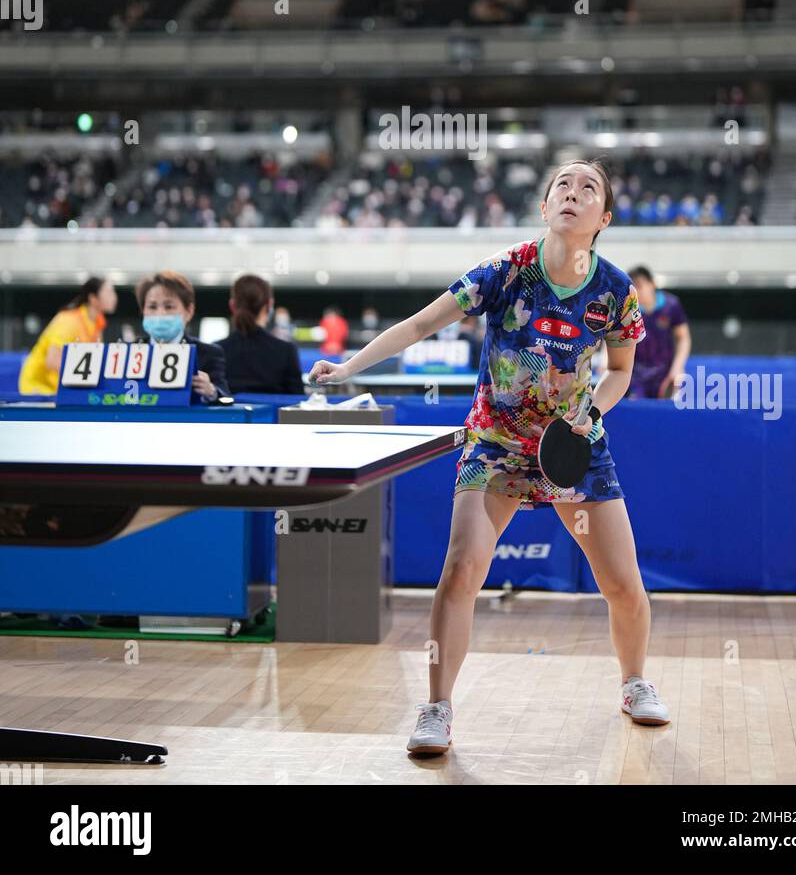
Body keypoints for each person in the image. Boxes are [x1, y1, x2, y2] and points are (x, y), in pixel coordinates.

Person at [309, 158, 670, 757]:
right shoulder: (505, 271)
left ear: (603, 217)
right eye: (562, 185)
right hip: (495, 443)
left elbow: (622, 370)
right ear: (545, 206)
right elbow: (424, 322)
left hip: (572, 446)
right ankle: (437, 709)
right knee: (462, 568)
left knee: (624, 585)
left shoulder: (616, 290)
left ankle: (634, 683)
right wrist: (349, 367)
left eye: (588, 190)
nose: (572, 195)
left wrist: (591, 415)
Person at [135, 271, 230, 402]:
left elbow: (226, 398)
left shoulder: (208, 353)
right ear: (143, 311)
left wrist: (211, 391)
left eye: (169, 306)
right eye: (152, 306)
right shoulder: (128, 352)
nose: (160, 313)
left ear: (189, 311)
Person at [19, 277, 118, 395]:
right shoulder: (69, 321)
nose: (114, 297)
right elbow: (51, 360)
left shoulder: (98, 322)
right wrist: (86, 377)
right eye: (109, 293)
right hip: (37, 385)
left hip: (59, 388)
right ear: (93, 298)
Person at [216, 274, 303, 396]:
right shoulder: (286, 351)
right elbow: (296, 405)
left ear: (232, 306)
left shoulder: (216, 351)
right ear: (269, 305)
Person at [627, 266, 691, 399]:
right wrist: (606, 361)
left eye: (639, 286)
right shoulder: (628, 309)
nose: (637, 292)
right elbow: (614, 337)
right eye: (633, 288)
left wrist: (678, 368)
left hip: (665, 374)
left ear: (652, 284)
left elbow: (683, 338)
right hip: (636, 376)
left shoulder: (671, 305)